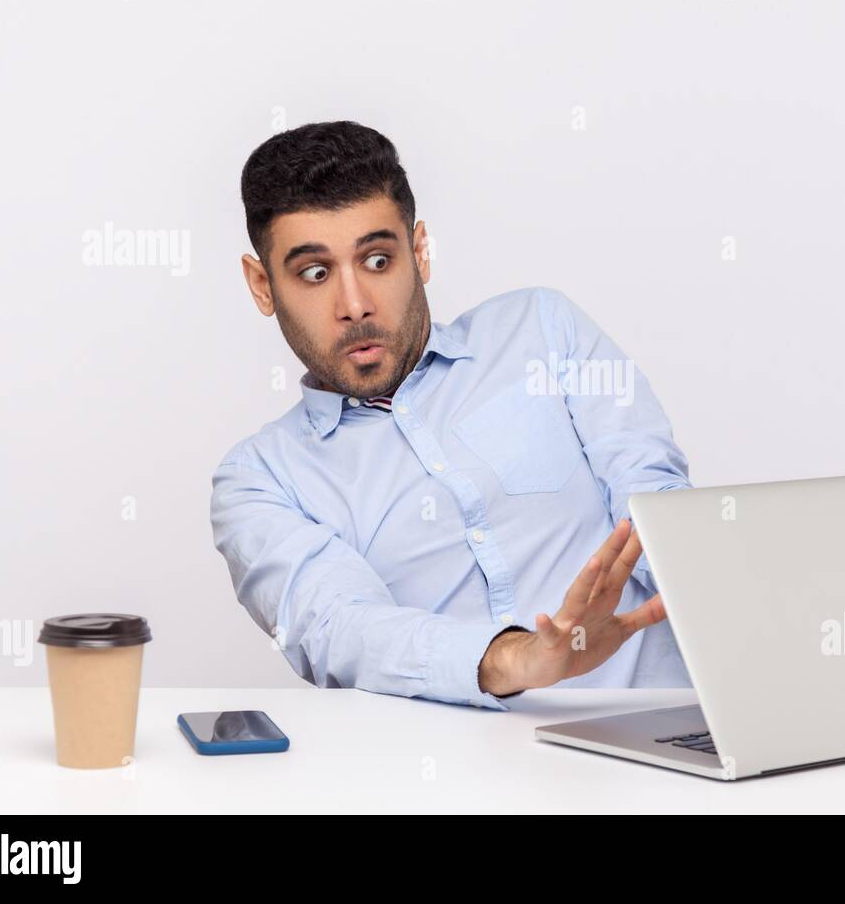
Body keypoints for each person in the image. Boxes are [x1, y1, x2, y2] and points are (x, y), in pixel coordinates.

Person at [210, 121, 692, 710]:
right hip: (460, 780)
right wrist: (514, 657)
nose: (354, 305)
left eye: (379, 260)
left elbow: (655, 493)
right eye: (315, 273)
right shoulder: (260, 479)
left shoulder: (542, 331)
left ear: (419, 252)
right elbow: (340, 628)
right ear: (263, 286)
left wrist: (728, 580)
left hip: (669, 730)